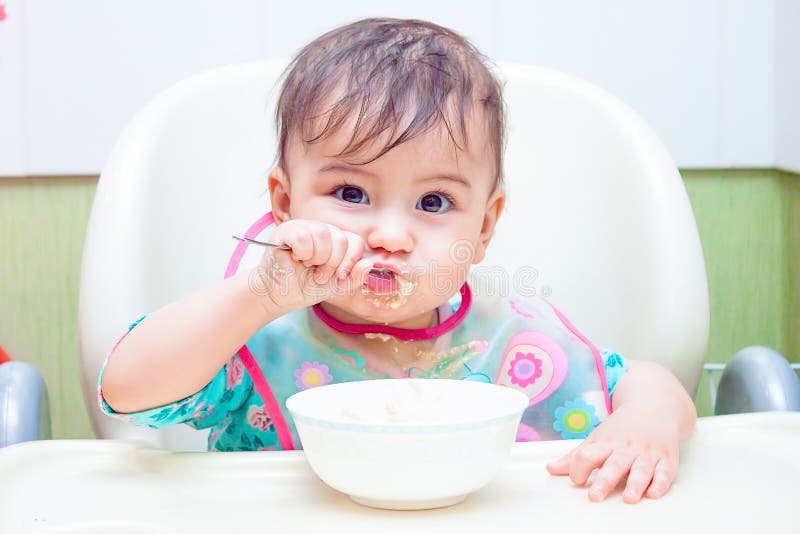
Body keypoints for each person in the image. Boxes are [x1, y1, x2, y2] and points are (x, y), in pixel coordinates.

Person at [99, 18, 696, 504]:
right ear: (285, 203)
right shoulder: (257, 336)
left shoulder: (514, 340)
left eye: (433, 202)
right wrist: (257, 295)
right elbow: (127, 389)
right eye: (351, 194)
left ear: (483, 226)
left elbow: (642, 380)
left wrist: (648, 423)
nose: (389, 234)